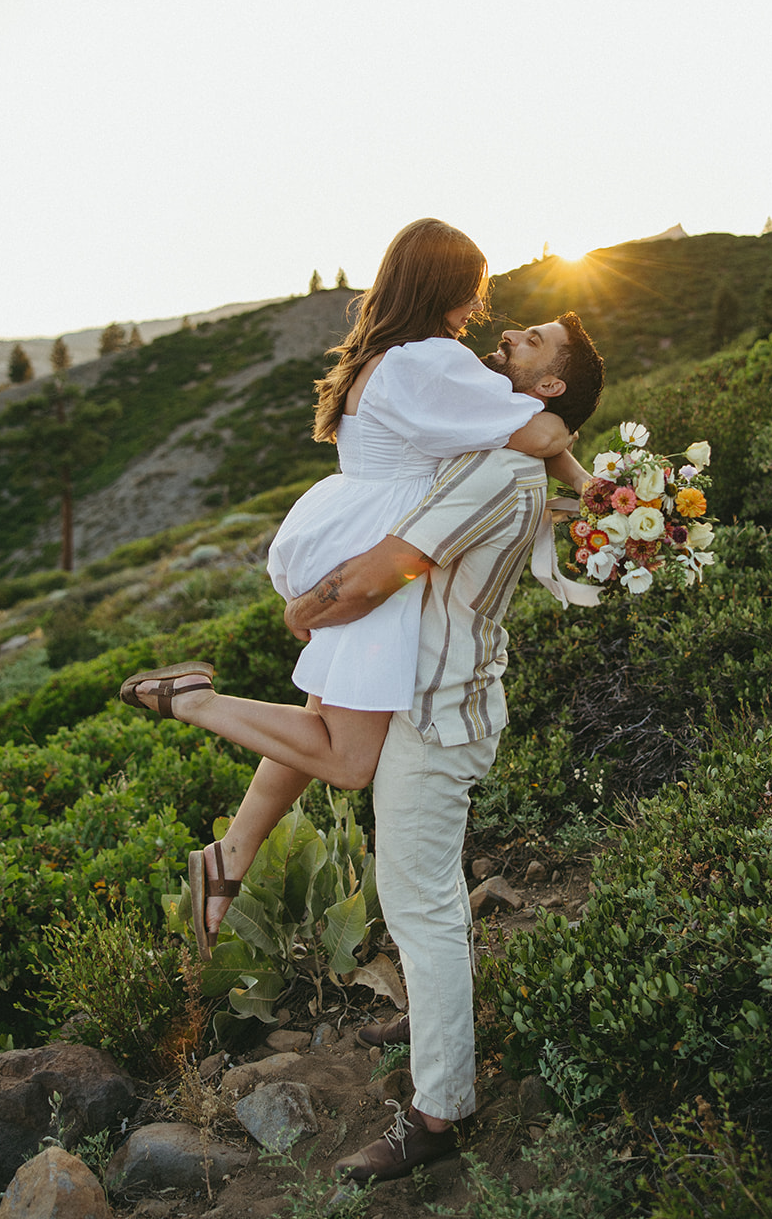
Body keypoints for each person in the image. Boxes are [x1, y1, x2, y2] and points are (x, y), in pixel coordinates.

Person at [208, 311, 605, 1185]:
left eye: (532, 341)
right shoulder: (503, 450)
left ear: (547, 386)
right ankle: (434, 1020)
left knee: (419, 903)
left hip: (434, 714)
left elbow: (381, 571)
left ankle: (437, 1115)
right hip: (437, 696)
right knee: (424, 891)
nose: (508, 336)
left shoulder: (495, 471)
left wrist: (303, 609)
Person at [119, 219, 583, 954]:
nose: (479, 309)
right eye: (473, 291)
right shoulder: (433, 359)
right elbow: (540, 434)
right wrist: (572, 451)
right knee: (347, 758)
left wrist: (590, 492)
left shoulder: (387, 355)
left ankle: (229, 856)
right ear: (443, 287)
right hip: (380, 557)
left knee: (318, 721)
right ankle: (193, 699)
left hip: (346, 527)